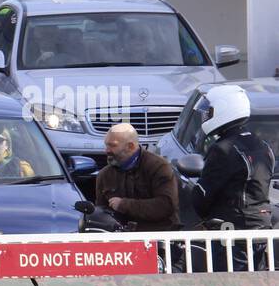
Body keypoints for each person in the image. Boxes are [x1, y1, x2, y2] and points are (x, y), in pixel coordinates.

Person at [192, 84, 274, 231]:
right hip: (262, 225)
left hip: (232, 230)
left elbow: (203, 196)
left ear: (224, 109)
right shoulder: (262, 144)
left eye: (209, 111)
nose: (205, 115)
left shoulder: (223, 149)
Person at [96, 122, 179, 231]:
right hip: (122, 239)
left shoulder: (158, 167)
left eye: (112, 145)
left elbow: (166, 206)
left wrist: (124, 205)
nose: (106, 150)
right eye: (106, 145)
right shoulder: (104, 175)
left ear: (130, 146)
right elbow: (101, 213)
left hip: (160, 237)